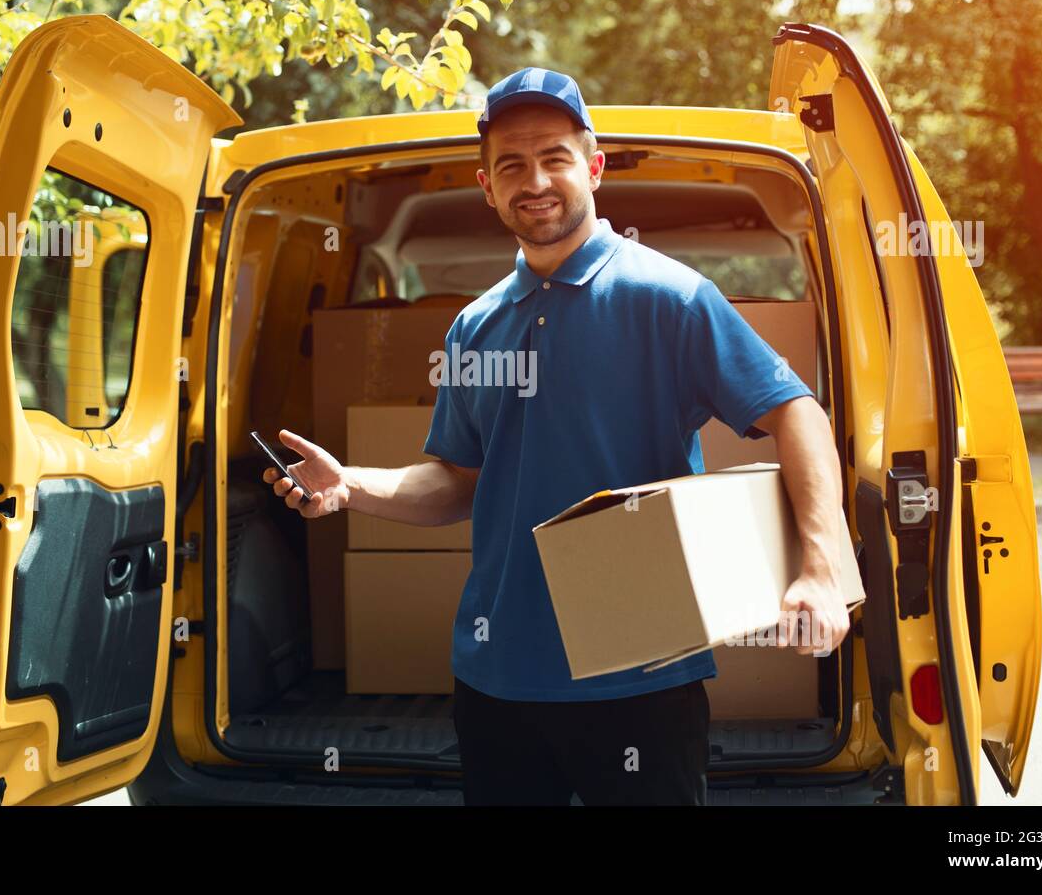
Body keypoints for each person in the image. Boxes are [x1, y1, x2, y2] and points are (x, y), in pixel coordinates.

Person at [262, 67, 850, 805]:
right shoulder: (475, 328)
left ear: (594, 166)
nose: (533, 180)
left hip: (641, 678)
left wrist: (822, 567)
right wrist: (351, 486)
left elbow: (797, 411)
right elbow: (455, 483)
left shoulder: (669, 298)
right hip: (497, 677)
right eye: (511, 164)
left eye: (554, 158)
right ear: (486, 184)